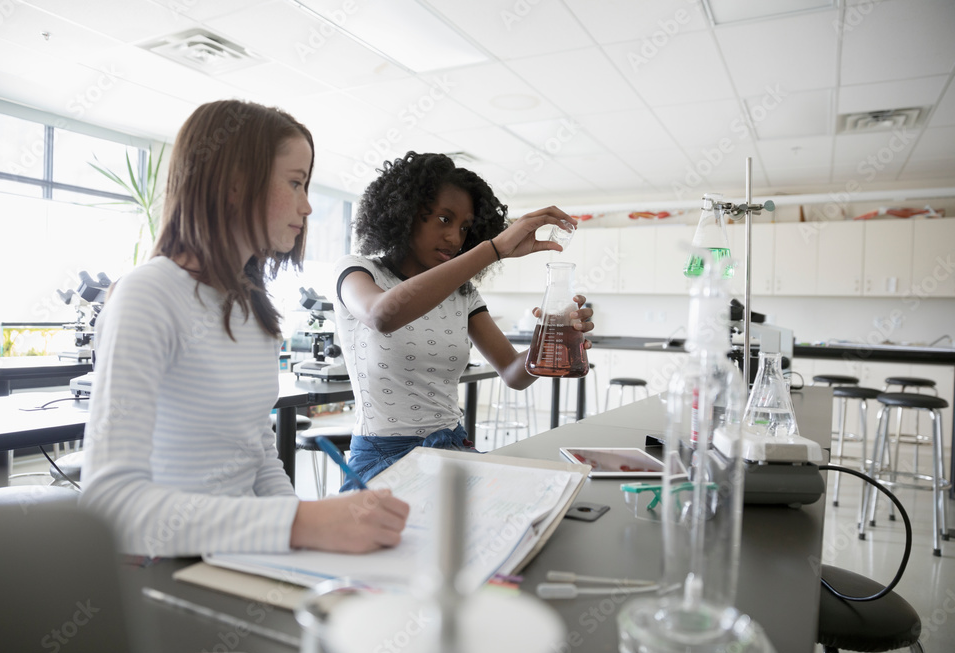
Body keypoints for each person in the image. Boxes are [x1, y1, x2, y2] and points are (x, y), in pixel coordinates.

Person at [80, 100, 409, 558]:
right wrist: (303, 522)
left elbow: (257, 455)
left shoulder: (255, 311)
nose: (308, 205)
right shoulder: (147, 294)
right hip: (164, 569)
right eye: (295, 183)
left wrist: (313, 537)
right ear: (235, 184)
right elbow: (110, 507)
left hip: (238, 559)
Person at [334, 151, 594, 490]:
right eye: (444, 219)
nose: (455, 239)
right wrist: (494, 249)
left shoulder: (462, 294)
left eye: (465, 228)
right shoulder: (358, 271)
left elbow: (514, 374)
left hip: (454, 449)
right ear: (406, 212)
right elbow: (382, 315)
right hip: (385, 458)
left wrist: (550, 343)